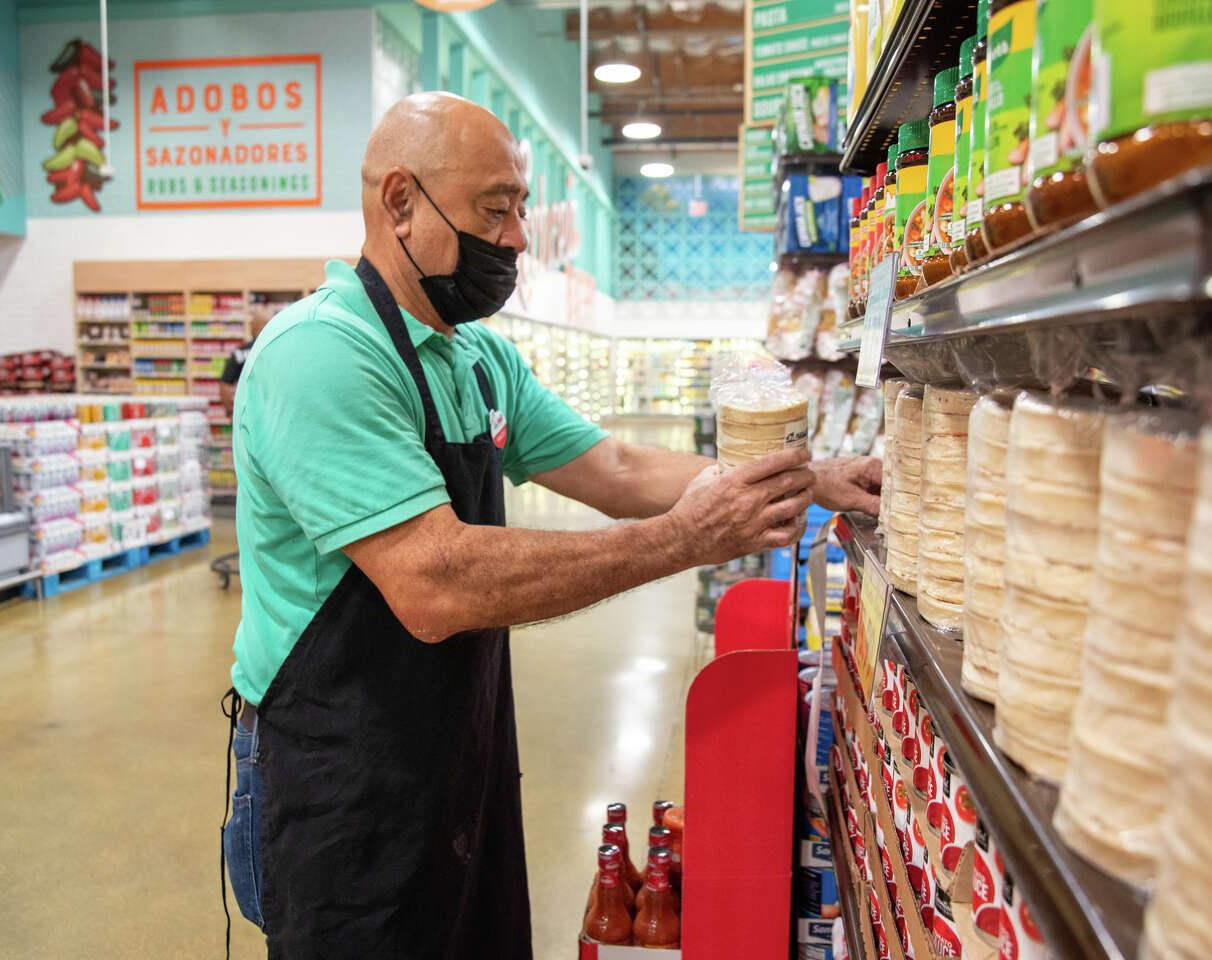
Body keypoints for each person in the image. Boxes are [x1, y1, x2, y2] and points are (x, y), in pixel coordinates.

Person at [221, 91, 878, 959]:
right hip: (335, 772)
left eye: (521, 210)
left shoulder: (479, 356)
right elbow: (434, 581)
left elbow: (615, 469)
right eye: (496, 211)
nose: (519, 240)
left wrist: (809, 477)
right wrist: (687, 538)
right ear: (401, 202)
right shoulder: (323, 355)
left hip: (454, 738)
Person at [217, 312, 273, 418]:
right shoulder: (276, 350)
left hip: (247, 412)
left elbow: (225, 385)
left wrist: (230, 411)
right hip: (272, 412)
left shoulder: (240, 352)